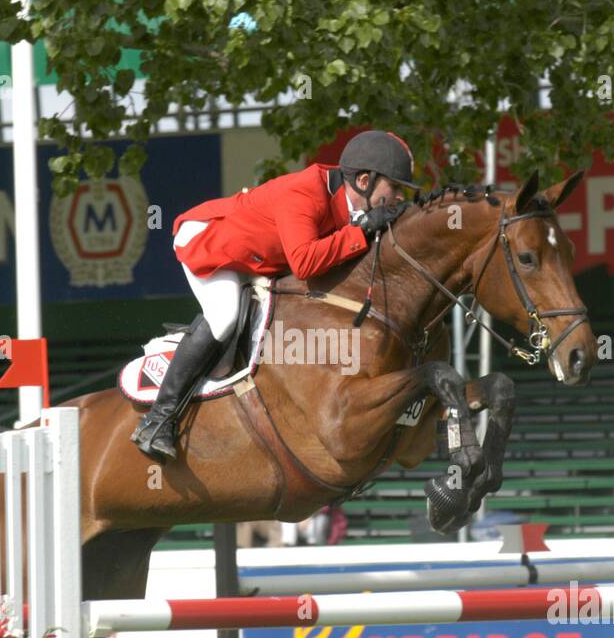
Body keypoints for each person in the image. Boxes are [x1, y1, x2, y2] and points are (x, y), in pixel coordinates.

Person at [131, 130, 418, 462]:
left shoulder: (346, 201)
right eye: (395, 188)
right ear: (365, 181)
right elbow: (306, 262)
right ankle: (157, 419)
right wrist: (362, 230)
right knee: (224, 317)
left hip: (257, 259)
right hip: (211, 245)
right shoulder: (305, 193)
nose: (398, 197)